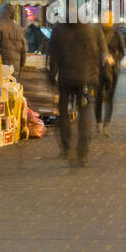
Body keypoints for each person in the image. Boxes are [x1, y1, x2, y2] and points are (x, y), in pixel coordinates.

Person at [45, 12, 105, 167]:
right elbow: (96, 53)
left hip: (65, 78)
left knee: (63, 112)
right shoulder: (89, 29)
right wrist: (95, 76)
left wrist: (52, 75)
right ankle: (83, 153)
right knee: (85, 113)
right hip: (85, 79)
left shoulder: (59, 29)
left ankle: (66, 147)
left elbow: (52, 55)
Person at [95, 13, 126, 136]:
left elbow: (122, 51)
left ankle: (107, 123)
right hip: (98, 68)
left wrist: (115, 59)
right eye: (104, 18)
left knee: (110, 96)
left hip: (112, 69)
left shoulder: (116, 34)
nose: (107, 20)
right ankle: (98, 120)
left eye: (109, 18)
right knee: (98, 95)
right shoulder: (96, 33)